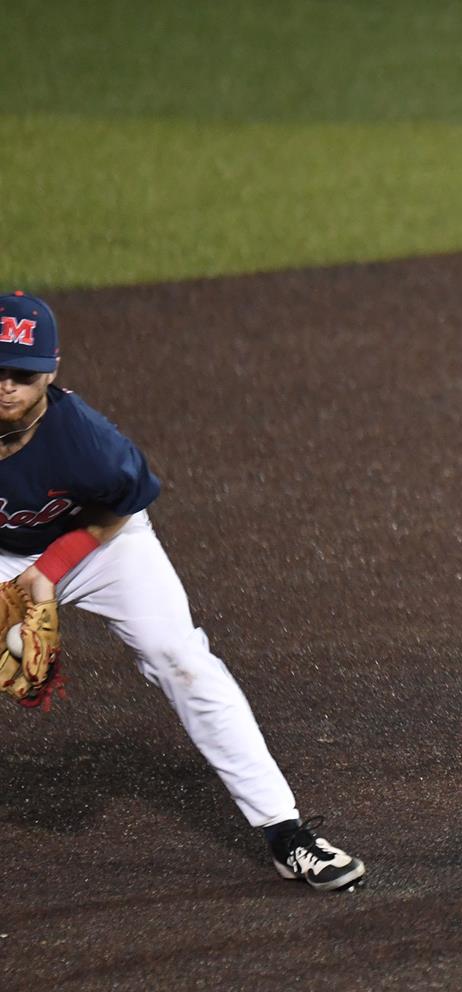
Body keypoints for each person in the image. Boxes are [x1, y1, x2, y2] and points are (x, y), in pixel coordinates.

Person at [0, 292, 366, 891]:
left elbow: (121, 505)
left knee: (180, 658)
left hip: (100, 544)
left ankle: (285, 832)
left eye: (22, 372)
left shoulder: (89, 442)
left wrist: (50, 569)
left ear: (52, 369)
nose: (7, 386)